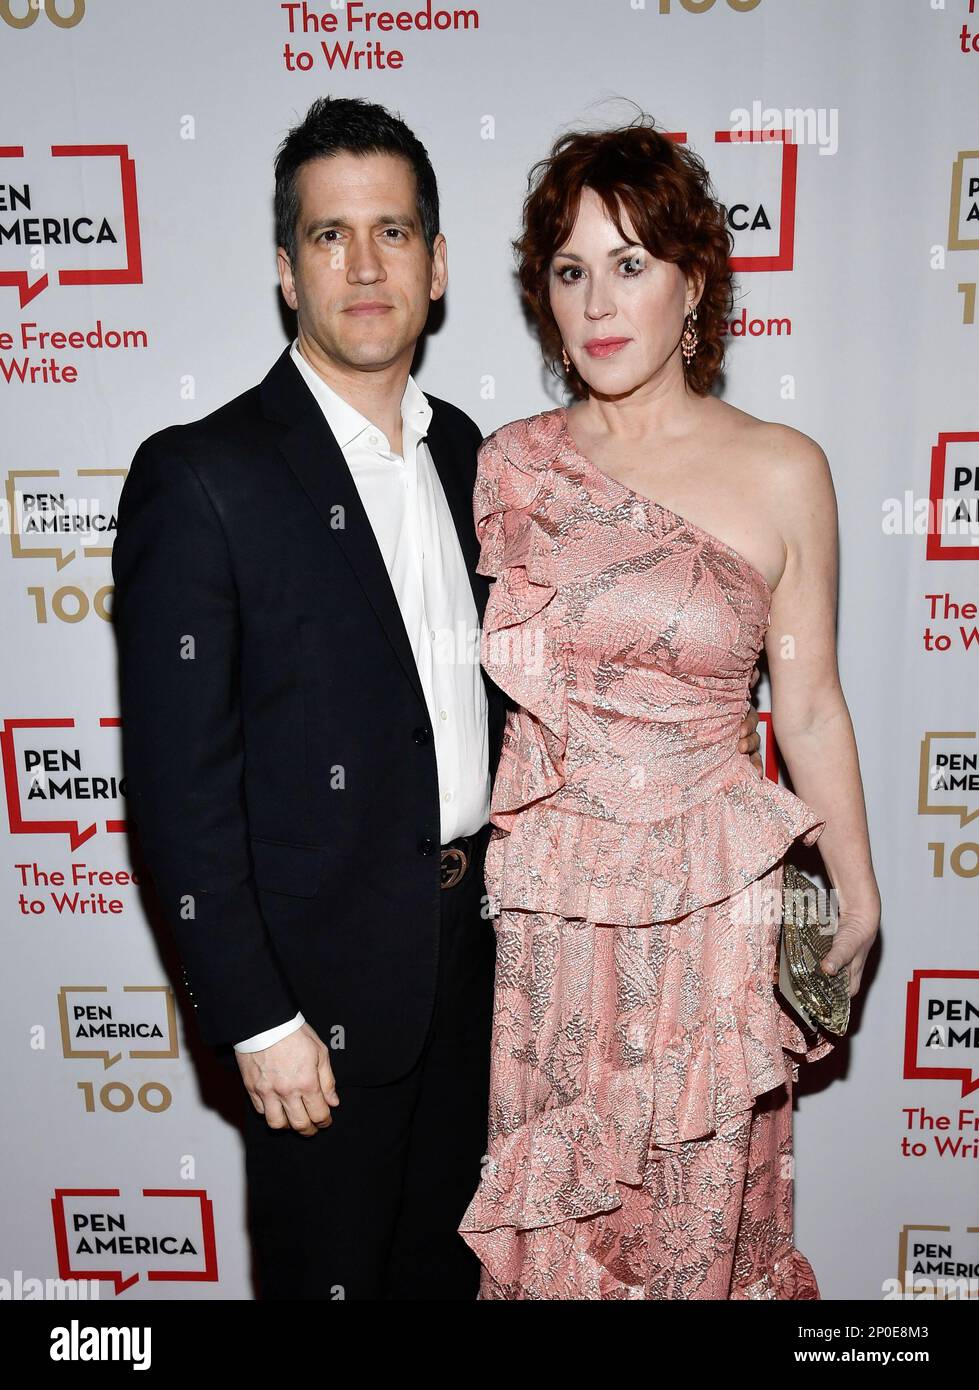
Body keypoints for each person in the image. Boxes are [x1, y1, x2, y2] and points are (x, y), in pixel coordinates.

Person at [111, 96, 764, 1302]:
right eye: (329, 236)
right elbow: (173, 794)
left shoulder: (484, 457)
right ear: (284, 270)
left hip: (494, 980)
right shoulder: (203, 477)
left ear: (439, 263)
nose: (365, 265)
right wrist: (258, 1021)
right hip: (319, 1006)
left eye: (394, 232)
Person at [457, 114, 881, 1300]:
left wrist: (855, 880)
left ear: (693, 282)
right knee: (567, 1227)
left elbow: (809, 702)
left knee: (696, 1223)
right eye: (570, 268)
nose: (598, 300)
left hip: (713, 922)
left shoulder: (781, 468)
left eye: (632, 264)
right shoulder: (510, 470)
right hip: (557, 918)